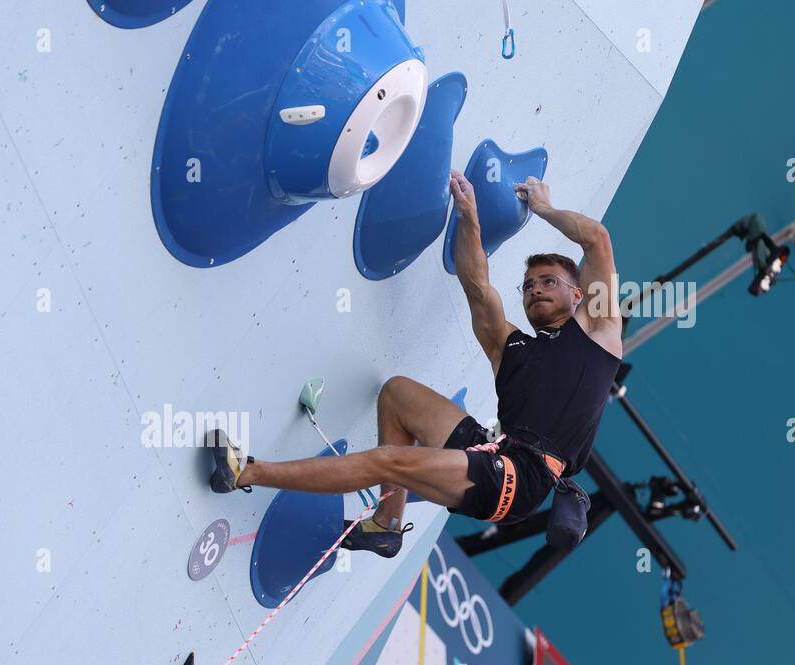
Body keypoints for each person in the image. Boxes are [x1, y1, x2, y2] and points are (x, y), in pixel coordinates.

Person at [209, 170, 623, 558]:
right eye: (529, 284)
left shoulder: (599, 333)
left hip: (519, 481)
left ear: (579, 295)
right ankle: (387, 524)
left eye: (549, 281)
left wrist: (544, 208)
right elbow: (477, 287)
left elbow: (597, 240)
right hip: (497, 451)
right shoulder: (511, 347)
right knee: (397, 394)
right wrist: (470, 217)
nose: (535, 290)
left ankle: (246, 472)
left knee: (390, 460)